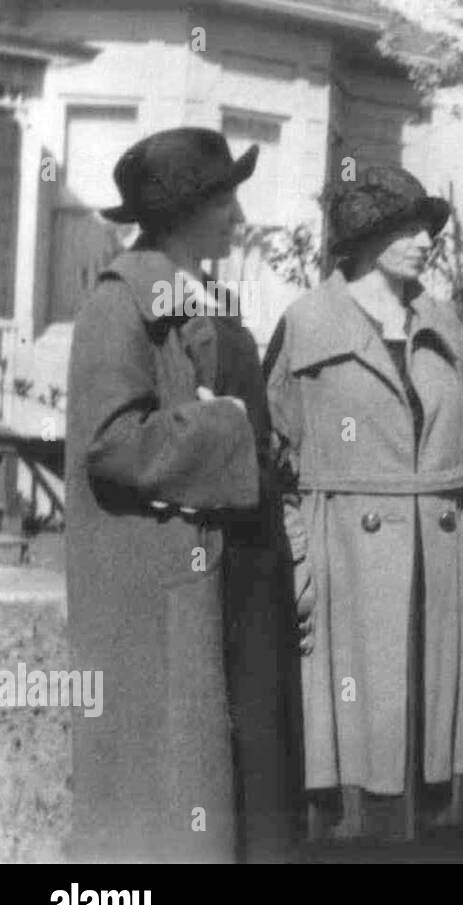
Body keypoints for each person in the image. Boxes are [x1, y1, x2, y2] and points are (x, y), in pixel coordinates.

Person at [66, 127, 295, 862]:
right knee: (167, 781)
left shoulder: (205, 293)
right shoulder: (117, 303)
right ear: (187, 211)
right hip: (162, 580)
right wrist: (222, 425)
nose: (238, 215)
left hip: (236, 567)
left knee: (242, 770)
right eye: (227, 198)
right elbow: (111, 443)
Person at [264, 165, 463, 843]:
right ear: (365, 239)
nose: (425, 238)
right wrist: (302, 562)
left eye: (427, 225)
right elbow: (271, 453)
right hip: (348, 565)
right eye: (406, 226)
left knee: (436, 751)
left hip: (441, 560)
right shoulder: (308, 321)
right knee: (359, 752)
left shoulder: (441, 318)